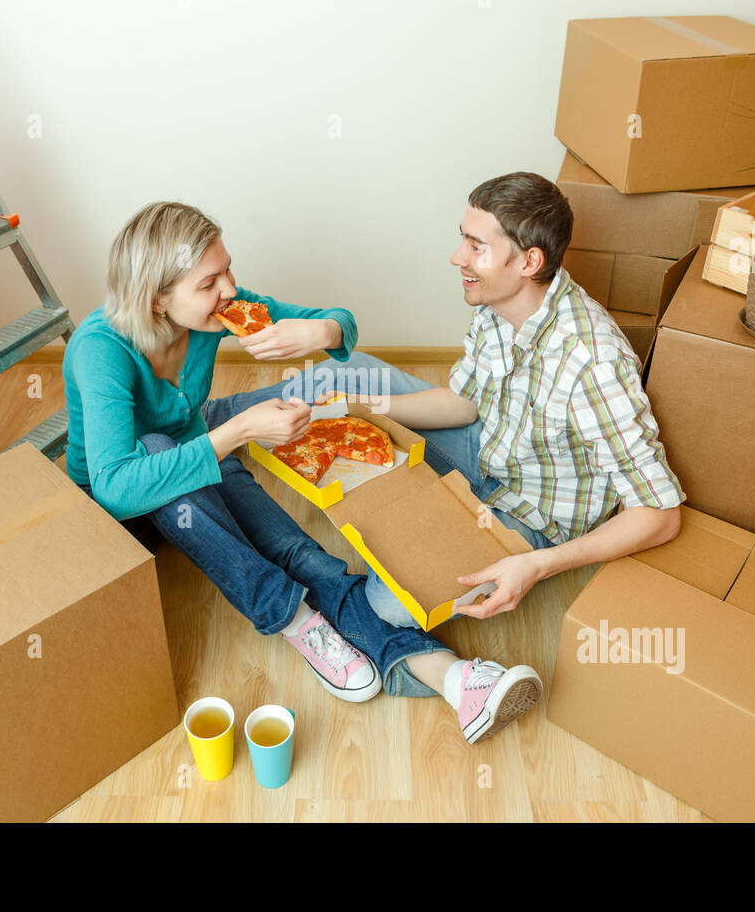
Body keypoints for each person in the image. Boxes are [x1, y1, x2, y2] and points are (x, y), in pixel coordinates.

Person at [61, 201, 543, 743]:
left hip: (199, 454)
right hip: (126, 508)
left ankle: (452, 678)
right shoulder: (101, 349)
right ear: (157, 299)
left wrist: (324, 334)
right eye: (209, 283)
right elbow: (115, 487)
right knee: (157, 448)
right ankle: (292, 619)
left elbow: (341, 323)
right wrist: (239, 432)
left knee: (296, 550)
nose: (230, 289)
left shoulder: (213, 313)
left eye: (227, 270)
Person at [216, 172, 685, 628]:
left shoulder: (593, 363)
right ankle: (206, 428)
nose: (457, 257)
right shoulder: (497, 304)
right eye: (463, 238)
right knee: (346, 372)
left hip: (531, 513)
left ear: (529, 262)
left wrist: (537, 565)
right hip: (484, 446)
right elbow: (464, 405)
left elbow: (660, 515)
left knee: (391, 604)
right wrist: (359, 405)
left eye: (477, 247)